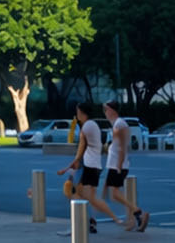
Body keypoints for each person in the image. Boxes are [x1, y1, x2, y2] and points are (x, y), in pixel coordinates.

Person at [60, 103, 121, 234]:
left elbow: (81, 149)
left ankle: (80, 224)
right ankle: (91, 222)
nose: (76, 114)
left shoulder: (86, 126)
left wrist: (69, 168)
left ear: (82, 112)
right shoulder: (92, 125)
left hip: (87, 165)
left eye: (77, 111)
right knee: (87, 196)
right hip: (94, 165)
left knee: (74, 192)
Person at [103, 100, 149, 232]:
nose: (105, 113)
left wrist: (118, 165)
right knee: (115, 194)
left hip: (118, 164)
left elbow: (123, 146)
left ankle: (138, 212)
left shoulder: (119, 124)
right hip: (115, 164)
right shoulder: (118, 124)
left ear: (112, 110)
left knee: (115, 194)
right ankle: (135, 218)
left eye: (106, 110)